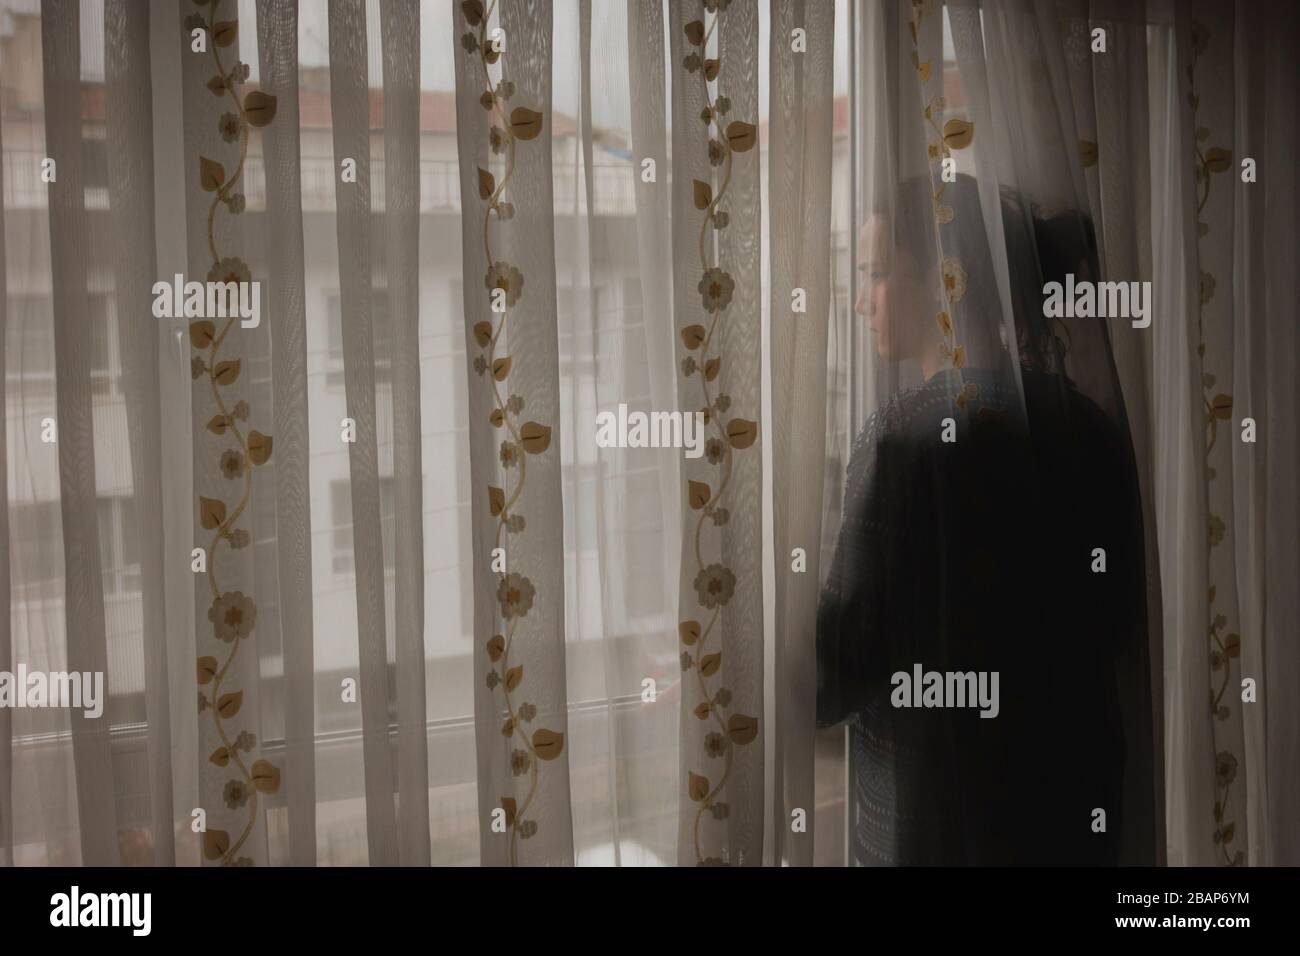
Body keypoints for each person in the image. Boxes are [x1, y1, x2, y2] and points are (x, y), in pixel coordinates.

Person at [816, 174, 1156, 865]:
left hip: (939, 825)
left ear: (948, 281)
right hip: (1070, 813)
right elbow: (1119, 621)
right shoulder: (1088, 427)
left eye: (876, 275)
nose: (860, 302)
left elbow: (842, 667)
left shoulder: (898, 441)